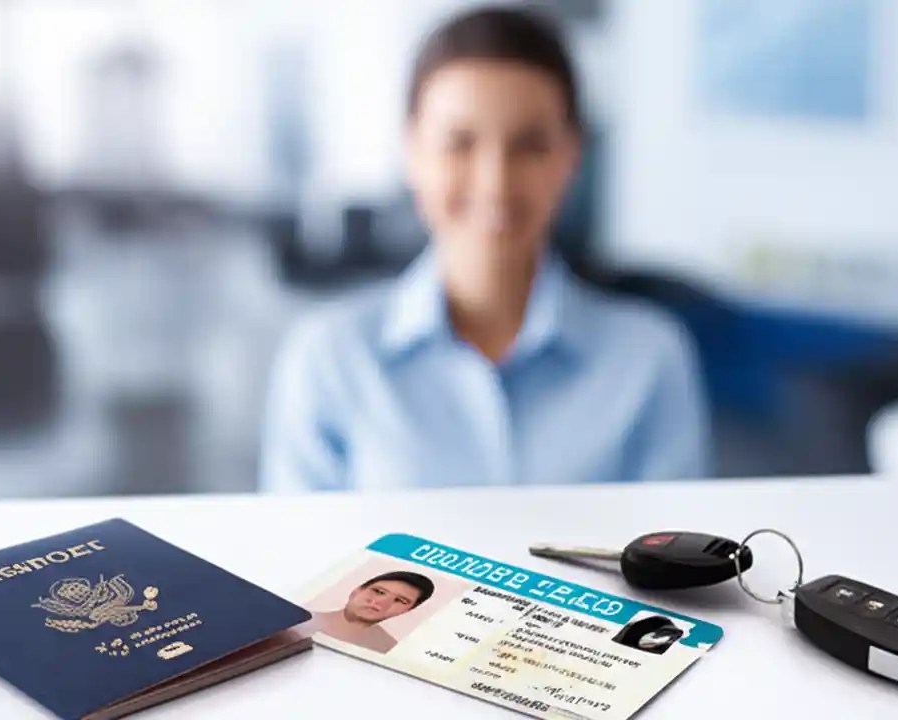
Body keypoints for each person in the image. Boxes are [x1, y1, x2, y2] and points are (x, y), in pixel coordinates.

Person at [259, 6, 709, 492]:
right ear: (412, 150)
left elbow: (673, 561)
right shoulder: (330, 359)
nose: (495, 182)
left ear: (571, 156)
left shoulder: (648, 357)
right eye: (460, 143)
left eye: (530, 145)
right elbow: (295, 559)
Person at [309, 571, 436, 653]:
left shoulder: (389, 647)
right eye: (379, 592)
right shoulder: (304, 620)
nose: (381, 603)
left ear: (407, 611)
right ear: (356, 590)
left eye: (400, 600)